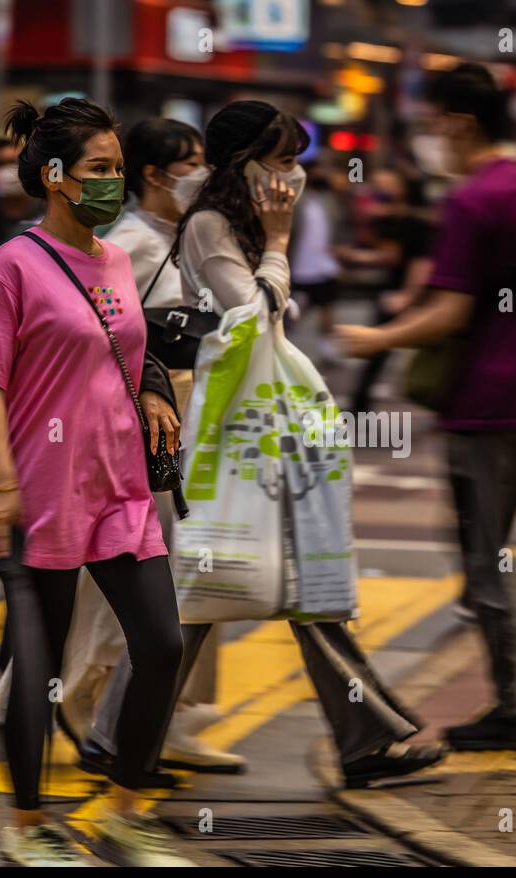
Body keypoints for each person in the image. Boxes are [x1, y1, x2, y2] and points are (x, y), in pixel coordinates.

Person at [173, 99, 442, 787]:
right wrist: (281, 239)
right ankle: (118, 733)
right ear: (245, 163)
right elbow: (257, 313)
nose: (293, 175)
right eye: (283, 159)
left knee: (279, 584)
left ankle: (364, 738)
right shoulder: (208, 224)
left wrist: (274, 242)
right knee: (210, 587)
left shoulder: (236, 221)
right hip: (232, 428)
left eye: (297, 160)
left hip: (263, 421)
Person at [0, 97, 190, 865]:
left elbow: (126, 347)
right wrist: (0, 483)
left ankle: (126, 810)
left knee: (162, 644)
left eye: (118, 171)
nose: (113, 185)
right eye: (100, 170)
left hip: (120, 484)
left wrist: (154, 387)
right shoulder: (13, 264)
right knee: (42, 664)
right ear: (55, 177)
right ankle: (26, 827)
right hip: (42, 486)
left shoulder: (118, 260)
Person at [338, 64, 516, 751]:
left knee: (483, 556)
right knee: (492, 549)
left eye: (433, 122)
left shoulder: (472, 200)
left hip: (480, 402)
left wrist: (378, 336)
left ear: (461, 123)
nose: (430, 136)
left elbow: (451, 310)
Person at [61, 117, 245, 775]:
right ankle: (88, 703)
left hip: (199, 417)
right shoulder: (134, 242)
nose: (202, 171)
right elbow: (99, 336)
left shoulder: (193, 238)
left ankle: (175, 714)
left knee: (193, 570)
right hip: (150, 423)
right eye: (190, 160)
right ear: (153, 173)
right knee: (150, 572)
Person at [338, 168, 434, 415]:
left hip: (405, 293)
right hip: (401, 291)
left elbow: (418, 261)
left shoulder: (410, 220)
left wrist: (408, 295)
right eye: (378, 183)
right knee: (382, 350)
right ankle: (361, 403)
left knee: (381, 347)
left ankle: (360, 404)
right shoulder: (394, 218)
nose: (380, 188)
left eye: (387, 183)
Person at [289, 159, 342, 365]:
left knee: (327, 309)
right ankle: (281, 348)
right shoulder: (295, 199)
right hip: (299, 266)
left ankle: (328, 351)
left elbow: (336, 229)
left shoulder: (327, 199)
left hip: (324, 265)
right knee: (293, 312)